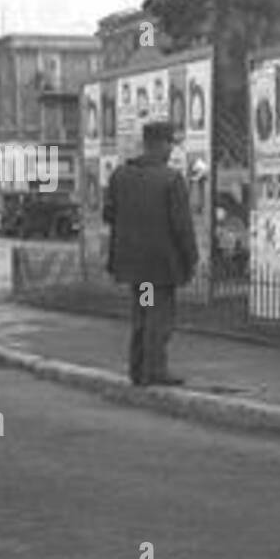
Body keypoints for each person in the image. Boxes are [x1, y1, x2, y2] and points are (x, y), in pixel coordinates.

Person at [103, 121, 199, 386]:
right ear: (162, 145)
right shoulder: (170, 179)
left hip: (135, 267)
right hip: (160, 267)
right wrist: (191, 259)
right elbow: (182, 227)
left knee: (142, 314)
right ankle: (155, 371)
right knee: (159, 318)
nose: (171, 151)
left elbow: (108, 214)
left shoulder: (120, 175)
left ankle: (138, 370)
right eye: (170, 145)